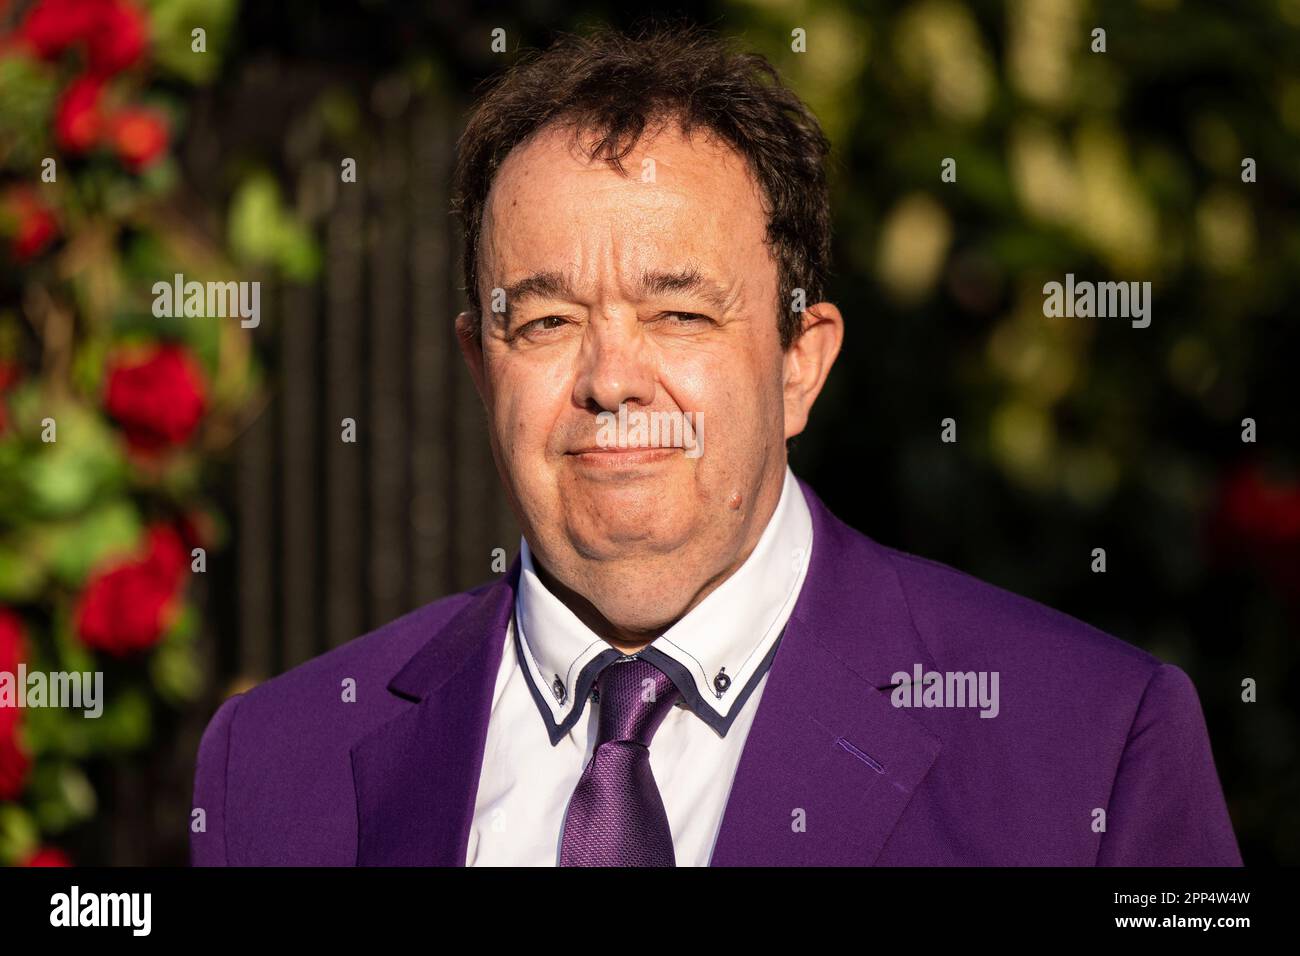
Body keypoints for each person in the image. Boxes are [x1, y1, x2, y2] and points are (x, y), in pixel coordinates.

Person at [190, 24, 1241, 866]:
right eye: (547, 320)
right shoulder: (279, 767)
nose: (611, 378)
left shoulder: (1087, 748)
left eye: (679, 314)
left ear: (799, 361)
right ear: (480, 363)